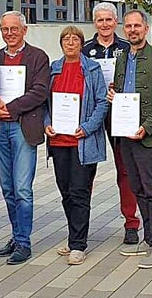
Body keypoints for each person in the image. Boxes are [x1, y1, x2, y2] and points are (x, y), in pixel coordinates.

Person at [108, 10, 152, 269]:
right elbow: (120, 88)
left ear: (146, 29)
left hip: (149, 134)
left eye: (137, 25)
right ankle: (148, 239)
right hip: (126, 134)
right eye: (128, 26)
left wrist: (146, 127)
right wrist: (114, 94)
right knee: (136, 187)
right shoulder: (123, 57)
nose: (132, 30)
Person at [0, 11, 49, 266]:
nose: (10, 33)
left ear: (24, 30)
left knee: (23, 188)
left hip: (23, 128)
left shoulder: (38, 57)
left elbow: (40, 91)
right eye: (5, 29)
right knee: (7, 187)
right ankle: (16, 236)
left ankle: (24, 242)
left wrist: (10, 108)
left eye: (14, 29)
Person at [46, 26, 109, 266]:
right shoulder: (54, 68)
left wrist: (88, 126)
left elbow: (102, 102)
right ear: (61, 43)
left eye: (75, 39)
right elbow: (45, 103)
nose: (70, 43)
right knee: (65, 192)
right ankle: (74, 236)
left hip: (82, 141)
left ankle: (78, 244)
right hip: (59, 140)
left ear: (82, 43)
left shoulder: (92, 69)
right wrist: (46, 123)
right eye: (66, 39)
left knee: (80, 191)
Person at [82, 2, 139, 245]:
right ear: (94, 23)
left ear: (116, 22)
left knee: (125, 170)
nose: (104, 24)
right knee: (86, 171)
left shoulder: (127, 48)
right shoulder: (85, 49)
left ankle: (131, 223)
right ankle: (80, 225)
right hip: (94, 114)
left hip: (121, 113)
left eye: (109, 20)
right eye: (100, 20)